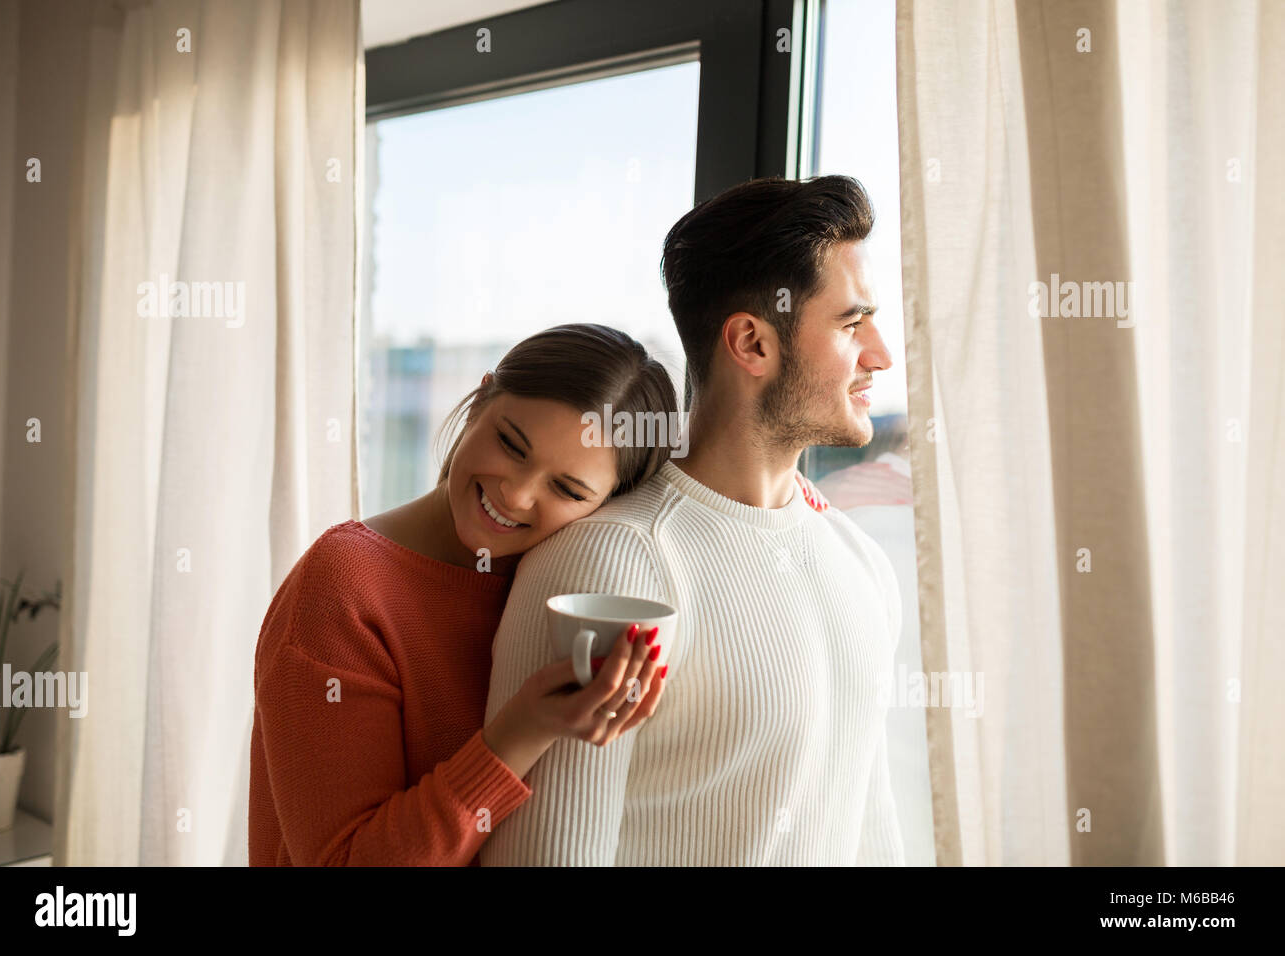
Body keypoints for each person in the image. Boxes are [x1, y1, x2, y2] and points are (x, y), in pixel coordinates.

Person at [247, 322, 830, 865]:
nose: (517, 495)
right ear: (479, 401)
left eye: (568, 487)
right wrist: (520, 731)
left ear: (609, 502)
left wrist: (794, 503)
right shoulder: (344, 588)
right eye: (511, 444)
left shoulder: (565, 574)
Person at [479, 175, 907, 866]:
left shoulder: (861, 562)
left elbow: (872, 830)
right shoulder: (611, 566)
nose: (881, 354)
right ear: (752, 343)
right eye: (853, 323)